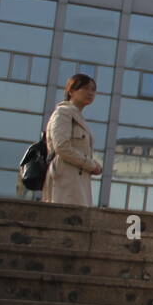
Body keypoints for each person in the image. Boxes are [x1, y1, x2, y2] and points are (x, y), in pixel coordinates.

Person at [42, 74, 102, 206]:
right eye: (85, 88)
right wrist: (90, 164)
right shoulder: (63, 113)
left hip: (77, 180)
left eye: (93, 89)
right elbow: (61, 146)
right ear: (71, 91)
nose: (90, 92)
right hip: (65, 179)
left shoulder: (78, 117)